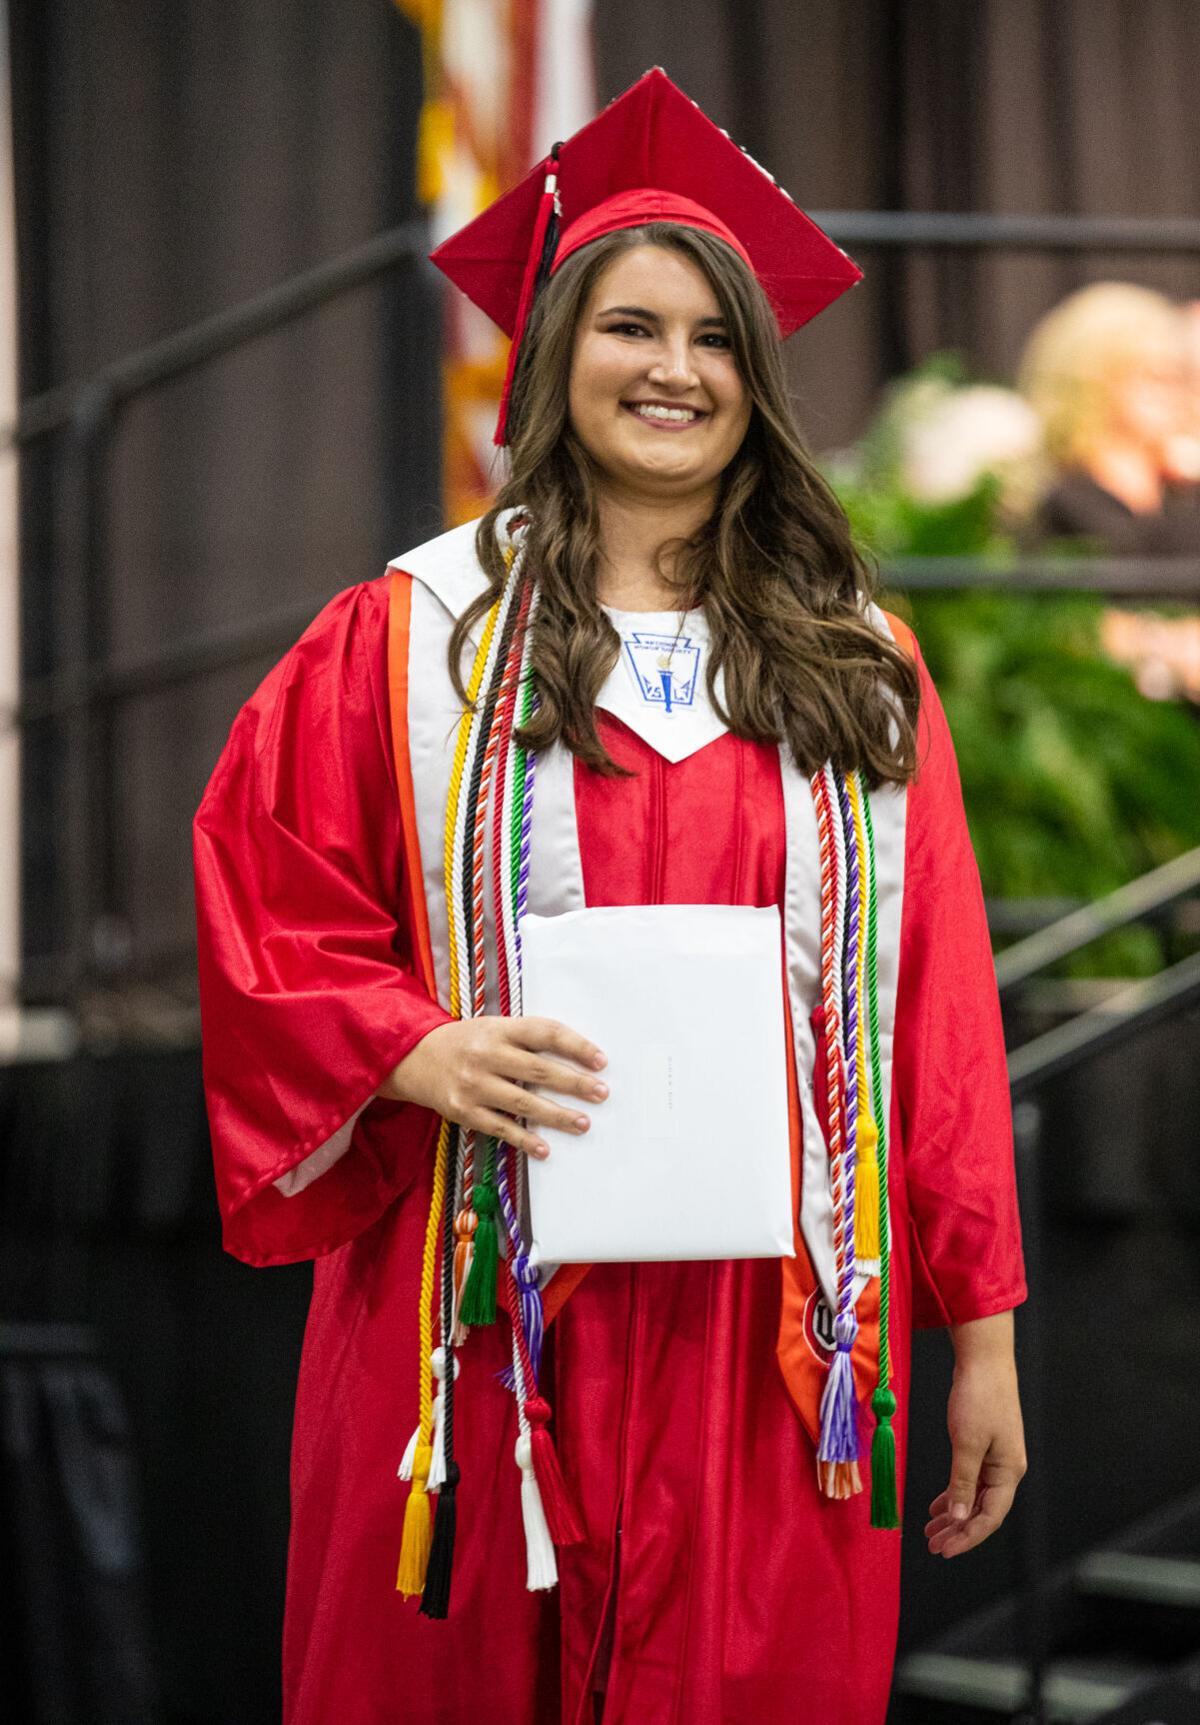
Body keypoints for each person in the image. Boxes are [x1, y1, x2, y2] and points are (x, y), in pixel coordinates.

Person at [193, 68, 1027, 1725]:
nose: (675, 369)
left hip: (765, 1341)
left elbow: (936, 1018)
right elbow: (267, 898)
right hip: (475, 1309)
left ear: (757, 380)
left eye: (715, 338)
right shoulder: (411, 637)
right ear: (554, 353)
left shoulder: (857, 667)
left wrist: (987, 1342)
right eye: (631, 326)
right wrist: (410, 1043)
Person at [1017, 280, 1200, 555]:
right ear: (1093, 380)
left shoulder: (1180, 495)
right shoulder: (1062, 503)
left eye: (1178, 375)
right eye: (1153, 375)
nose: (1174, 391)